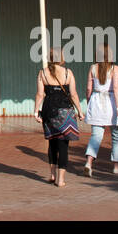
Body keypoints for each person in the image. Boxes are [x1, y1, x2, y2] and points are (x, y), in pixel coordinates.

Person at [34, 48, 83, 186]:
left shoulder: (42, 73)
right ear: (61, 57)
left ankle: (52, 175)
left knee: (52, 143)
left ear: (49, 58)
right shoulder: (68, 73)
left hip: (49, 112)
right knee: (63, 146)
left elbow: (40, 94)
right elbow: (73, 94)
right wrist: (80, 111)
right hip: (65, 113)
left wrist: (36, 111)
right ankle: (61, 180)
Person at [83, 43, 118, 175]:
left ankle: (89, 163)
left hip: (96, 101)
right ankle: (116, 167)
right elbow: (116, 88)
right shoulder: (115, 69)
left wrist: (90, 102)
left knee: (96, 135)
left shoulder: (93, 68)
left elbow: (89, 88)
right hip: (111, 102)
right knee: (117, 135)